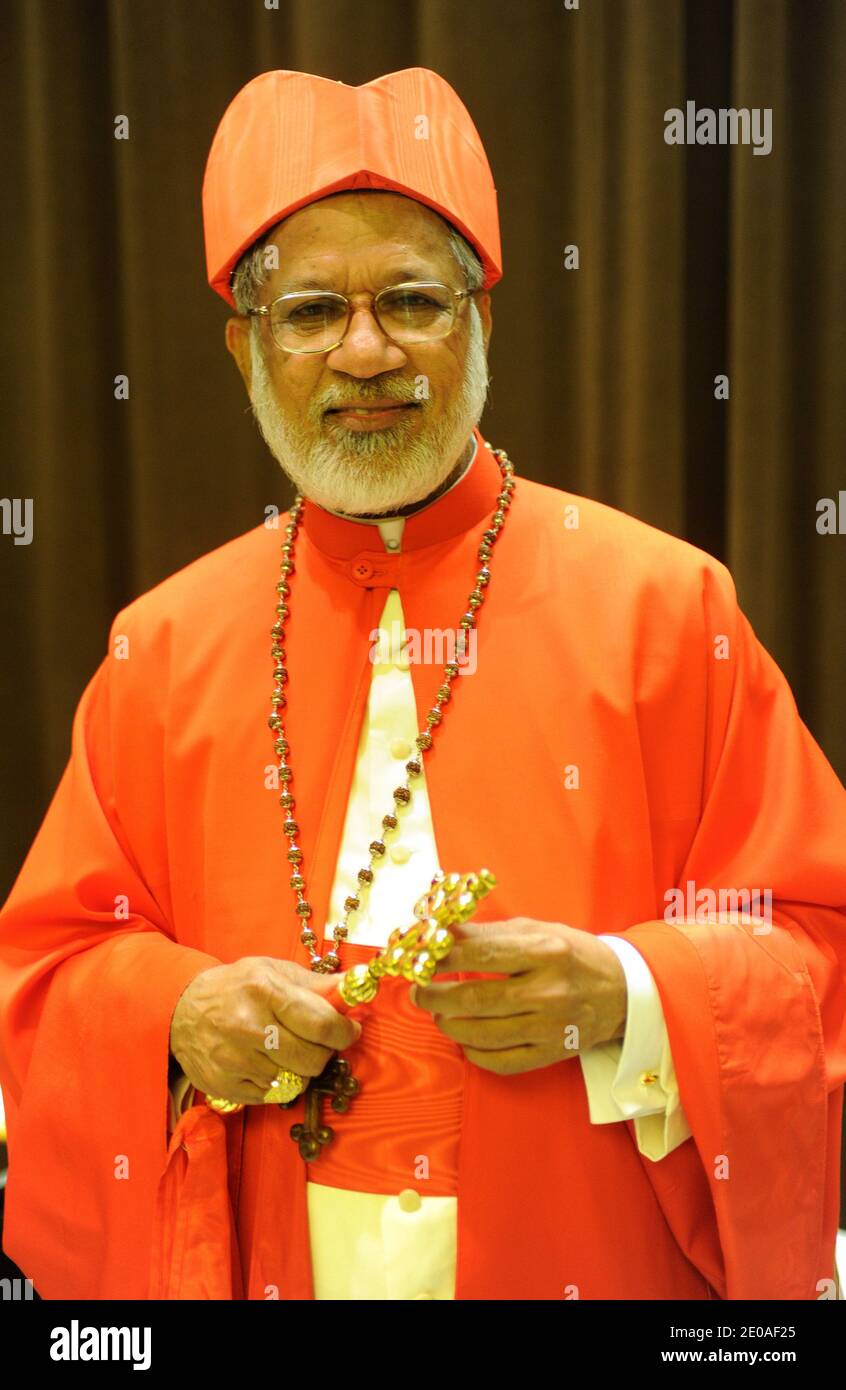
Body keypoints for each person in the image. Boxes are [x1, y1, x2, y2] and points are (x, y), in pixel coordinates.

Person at [1, 67, 844, 1301]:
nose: (365, 350)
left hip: (585, 1248)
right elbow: (51, 972)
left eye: (411, 299)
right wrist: (178, 1011)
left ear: (480, 325)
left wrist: (631, 990)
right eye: (307, 313)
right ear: (245, 348)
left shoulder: (668, 608)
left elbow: (813, 944)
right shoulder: (163, 647)